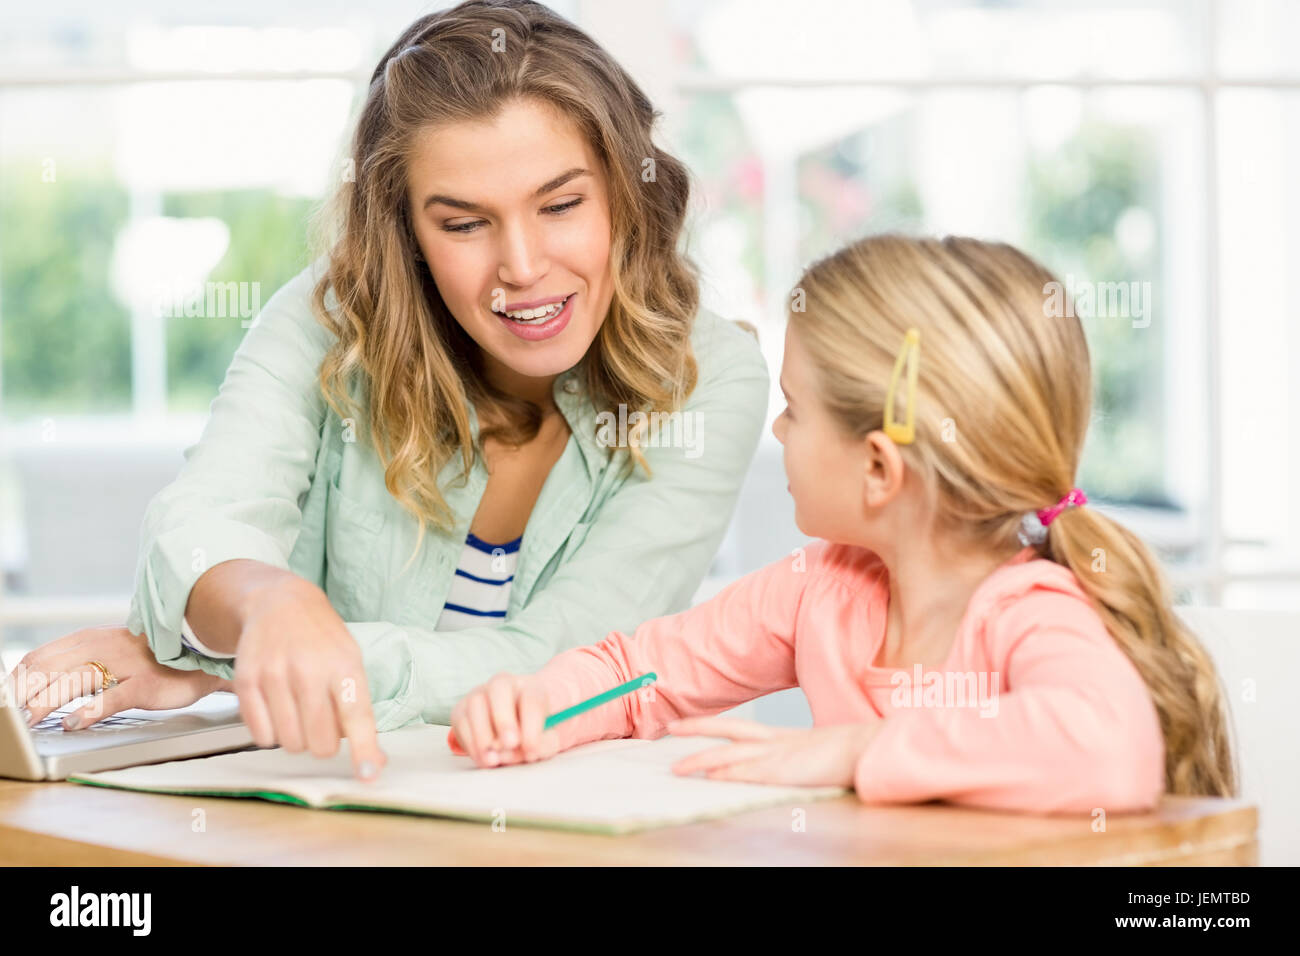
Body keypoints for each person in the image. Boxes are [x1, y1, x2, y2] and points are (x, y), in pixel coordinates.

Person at [8, 0, 768, 783]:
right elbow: (203, 525)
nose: (523, 266)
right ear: (405, 232)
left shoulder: (709, 380)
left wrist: (224, 668)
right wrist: (269, 606)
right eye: (464, 224)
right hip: (348, 807)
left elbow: (563, 661)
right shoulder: (329, 322)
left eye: (562, 204)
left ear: (624, 192)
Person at [448, 234, 1238, 813]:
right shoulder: (817, 590)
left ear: (879, 469)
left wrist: (860, 750)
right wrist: (540, 706)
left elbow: (1111, 750)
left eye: (796, 410)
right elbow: (638, 674)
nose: (781, 432)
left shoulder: (1029, 611)